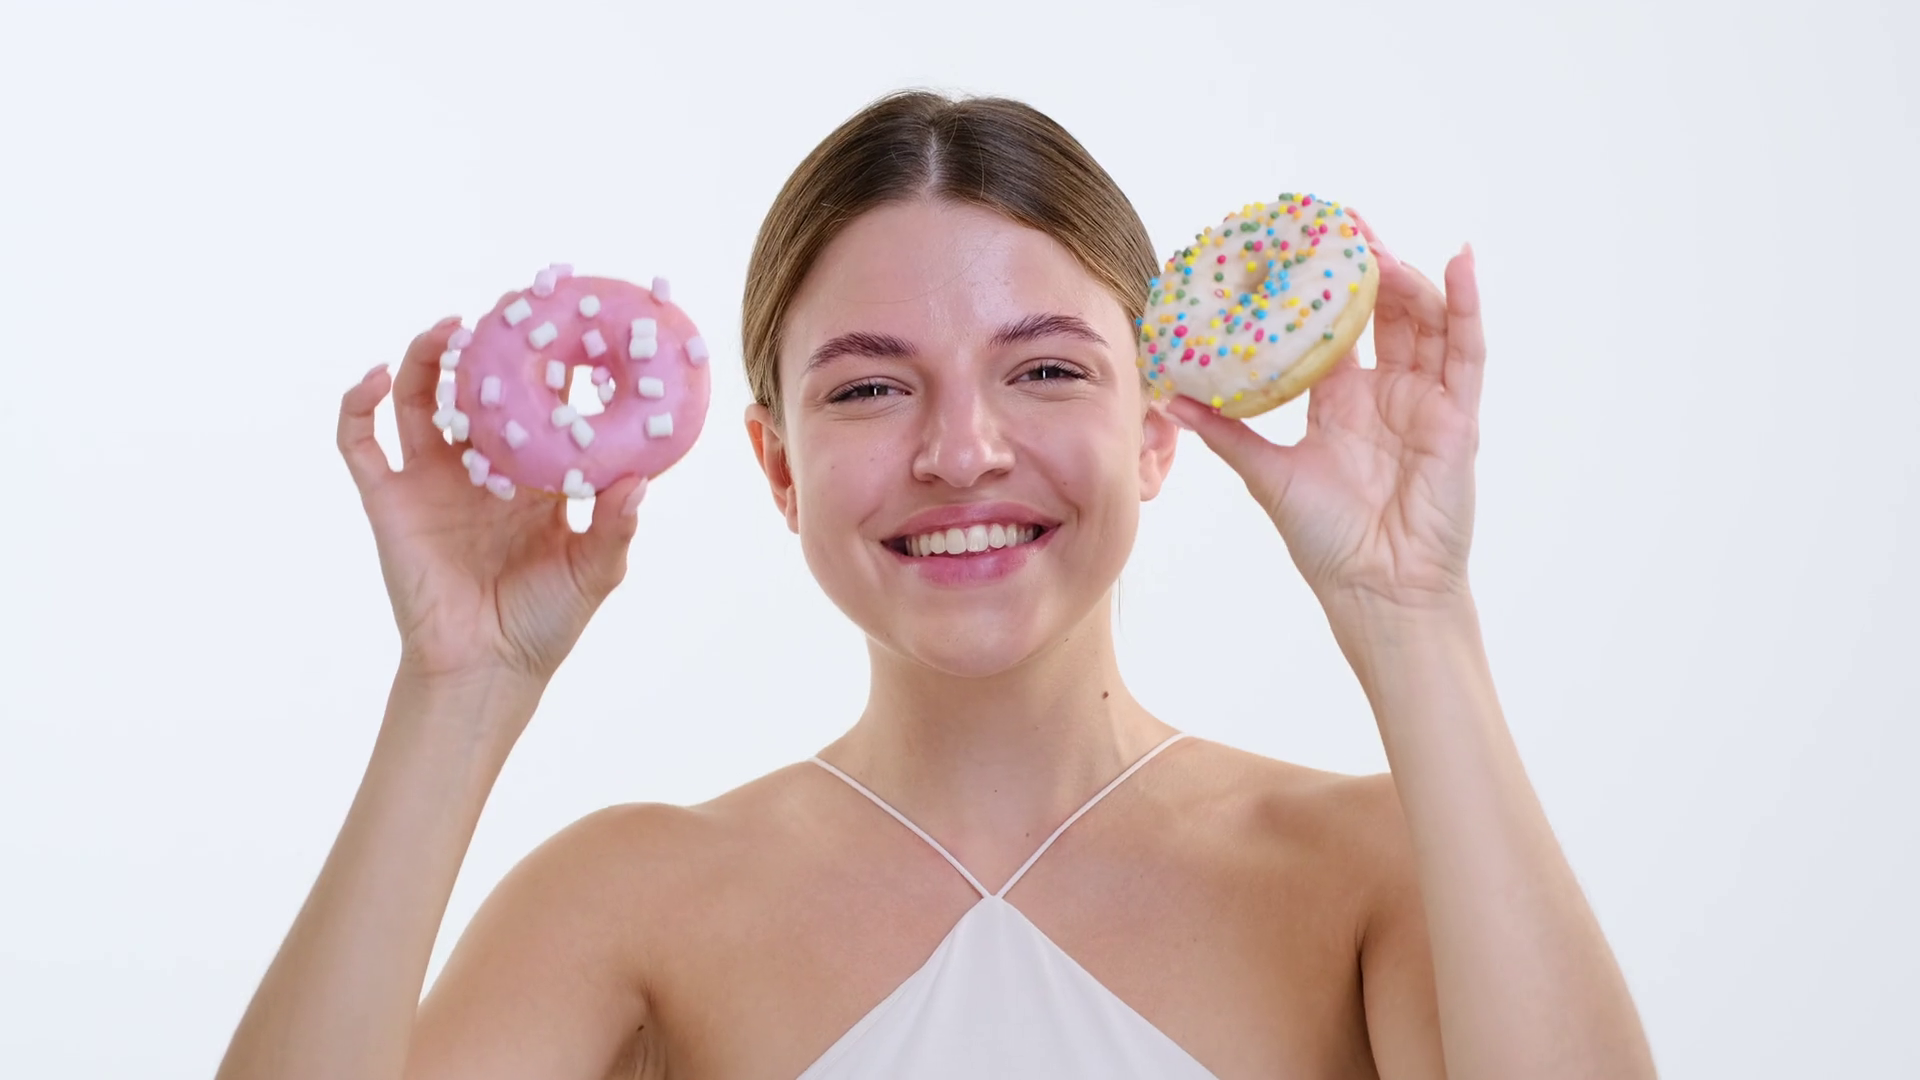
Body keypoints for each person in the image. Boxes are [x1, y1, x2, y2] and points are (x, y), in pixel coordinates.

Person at [218, 91, 1656, 1079]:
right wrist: (455, 694)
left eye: (1043, 370)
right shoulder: (629, 901)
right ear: (779, 472)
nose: (963, 451)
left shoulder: (1366, 874)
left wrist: (1416, 617)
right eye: (869, 388)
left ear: (1157, 426)